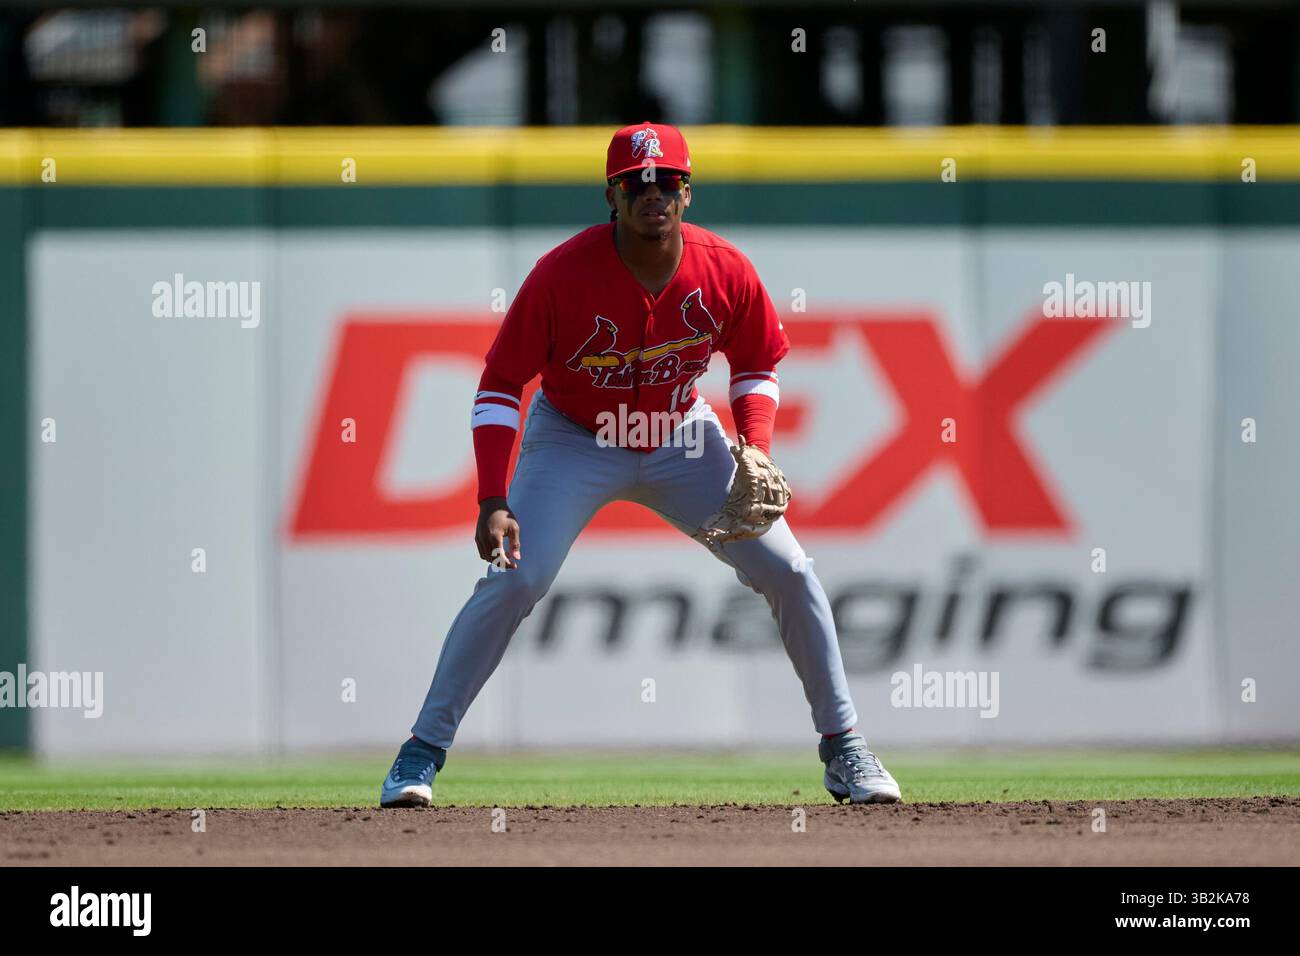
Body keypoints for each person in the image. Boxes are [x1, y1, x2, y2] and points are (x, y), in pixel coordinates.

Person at [380, 122, 901, 808]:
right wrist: (490, 497)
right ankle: (419, 754)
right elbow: (502, 384)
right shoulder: (562, 275)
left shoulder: (724, 269)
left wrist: (753, 447)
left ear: (686, 193)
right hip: (573, 435)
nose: (652, 193)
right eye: (637, 183)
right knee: (515, 579)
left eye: (667, 182)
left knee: (791, 569)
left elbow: (756, 364)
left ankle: (845, 749)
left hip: (680, 433)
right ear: (612, 197)